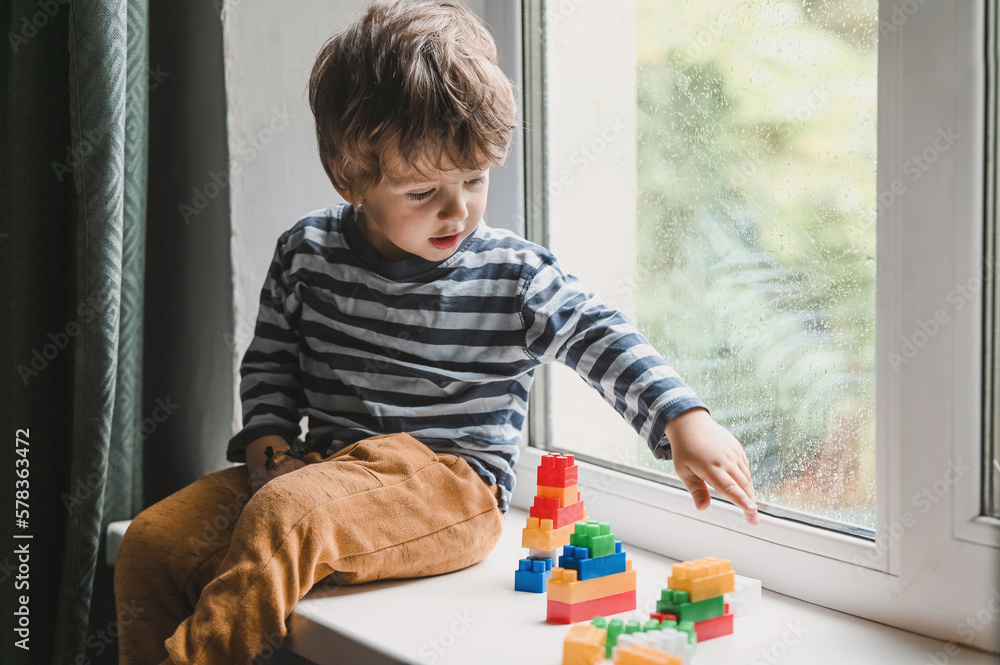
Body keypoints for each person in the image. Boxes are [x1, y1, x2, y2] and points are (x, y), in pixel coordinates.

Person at [113, 1, 759, 663]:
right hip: (325, 473)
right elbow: (273, 357)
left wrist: (680, 416)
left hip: (449, 489)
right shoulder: (306, 251)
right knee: (153, 539)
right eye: (424, 191)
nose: (458, 209)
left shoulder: (512, 273)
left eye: (474, 179)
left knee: (290, 514)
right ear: (355, 179)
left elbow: (599, 333)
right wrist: (270, 433)